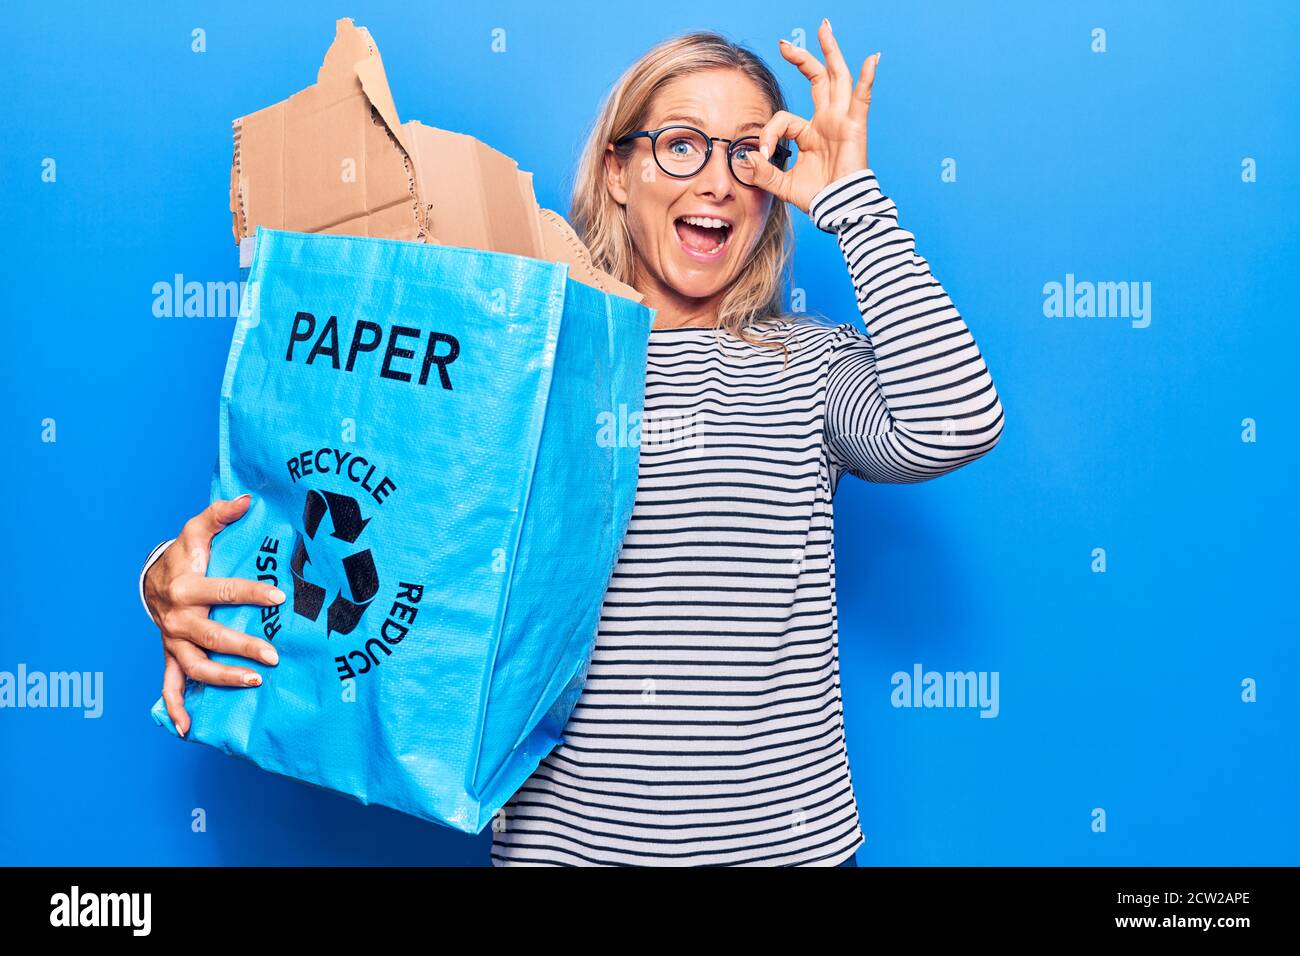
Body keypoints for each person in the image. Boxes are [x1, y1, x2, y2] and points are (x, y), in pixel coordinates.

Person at [140, 19, 1004, 866]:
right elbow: (362, 501)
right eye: (682, 144)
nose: (719, 181)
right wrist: (167, 583)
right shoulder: (523, 353)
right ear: (619, 171)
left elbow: (955, 423)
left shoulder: (807, 367)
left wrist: (852, 201)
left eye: (749, 152)